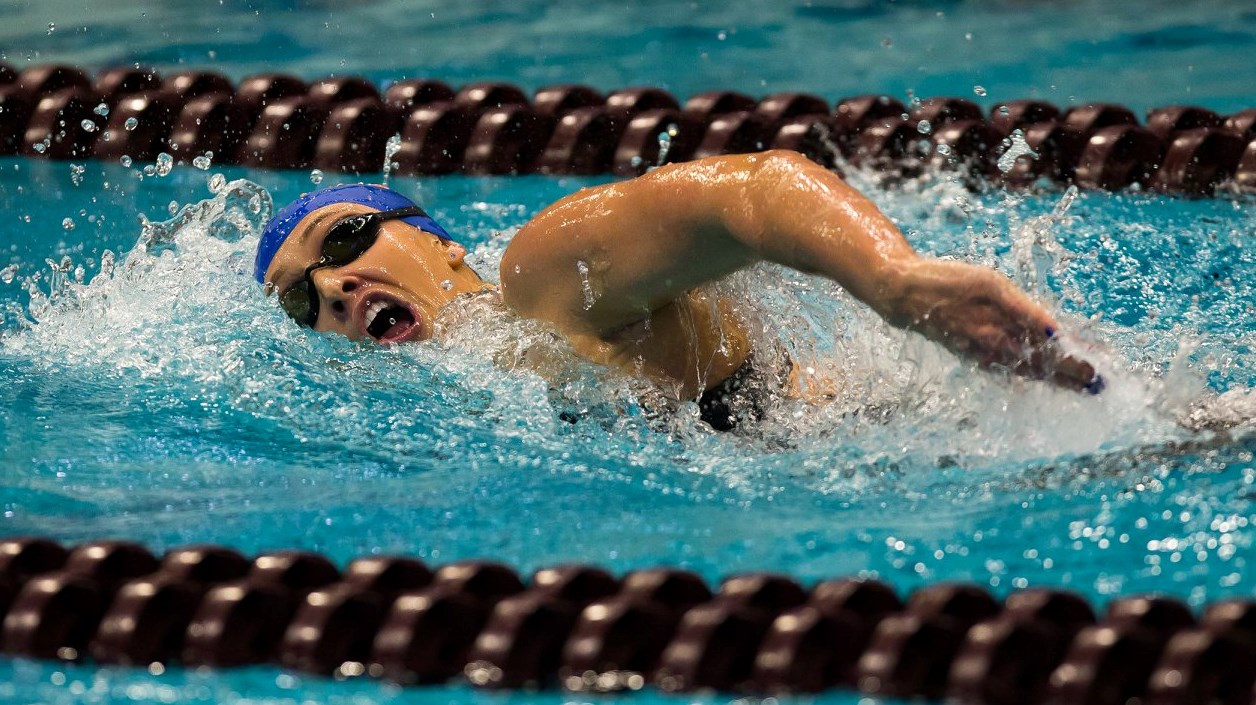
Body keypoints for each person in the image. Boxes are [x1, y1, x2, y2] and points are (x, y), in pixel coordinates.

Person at [256, 150, 1101, 429]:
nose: (333, 286)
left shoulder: (539, 280)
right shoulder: (443, 410)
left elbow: (752, 191)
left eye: (345, 239)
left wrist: (894, 281)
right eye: (303, 300)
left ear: (439, 242)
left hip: (922, 432)